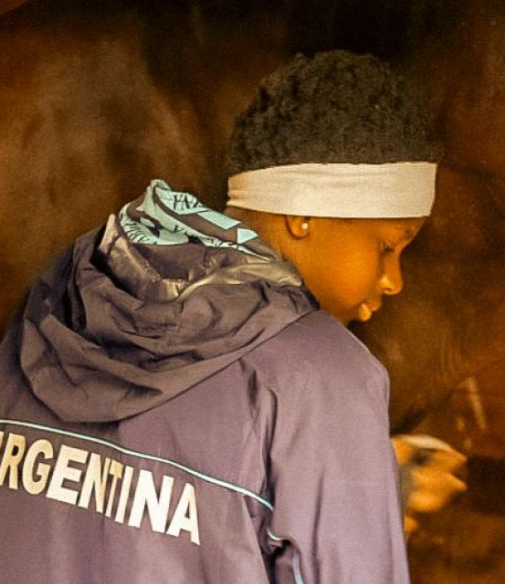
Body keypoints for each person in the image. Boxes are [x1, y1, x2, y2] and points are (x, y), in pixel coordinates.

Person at [0, 50, 435, 584]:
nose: (394, 280)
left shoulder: (57, 304)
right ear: (303, 214)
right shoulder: (326, 378)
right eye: (388, 246)